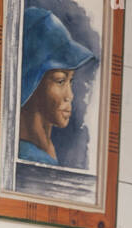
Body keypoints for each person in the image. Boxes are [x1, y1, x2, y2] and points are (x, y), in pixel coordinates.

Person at [17, 7, 97, 166]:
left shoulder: (43, 155)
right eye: (60, 81)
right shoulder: (28, 158)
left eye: (70, 81)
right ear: (32, 82)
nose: (70, 96)